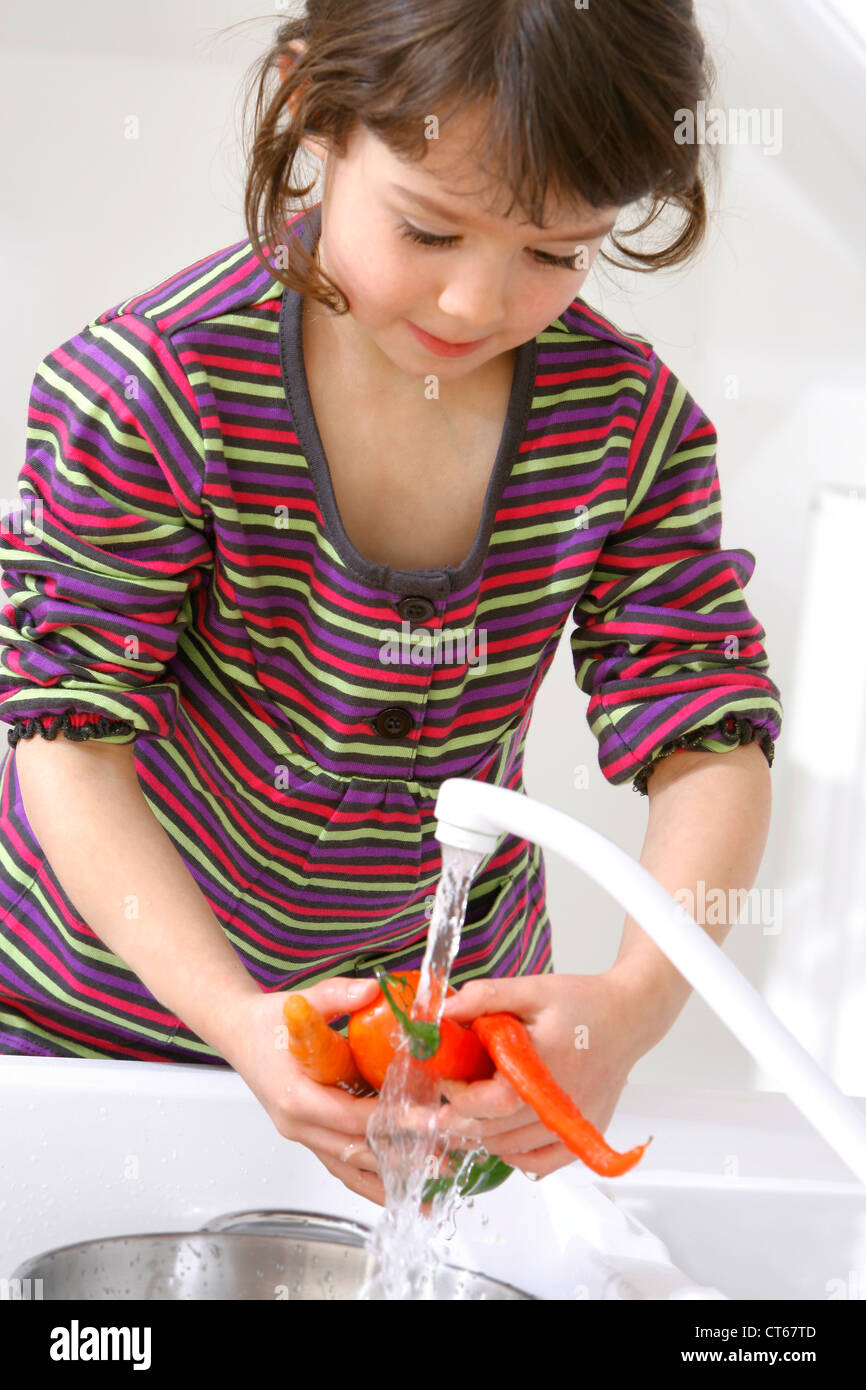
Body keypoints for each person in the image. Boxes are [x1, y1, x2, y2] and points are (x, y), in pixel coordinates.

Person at [0, 1, 782, 1208]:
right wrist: (234, 1018)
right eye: (428, 227)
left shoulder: (628, 428)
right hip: (91, 1016)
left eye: (554, 251)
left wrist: (629, 1007)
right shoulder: (155, 392)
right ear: (315, 110)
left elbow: (709, 735)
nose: (476, 304)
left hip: (441, 1052)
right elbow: (69, 741)